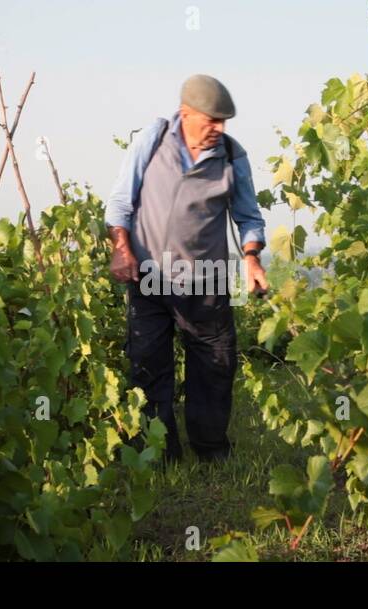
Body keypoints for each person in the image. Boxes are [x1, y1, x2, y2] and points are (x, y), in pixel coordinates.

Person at [104, 74, 268, 463]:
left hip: (207, 278)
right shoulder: (154, 138)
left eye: (224, 122)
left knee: (215, 366)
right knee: (148, 365)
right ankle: (157, 453)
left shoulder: (231, 156)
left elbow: (248, 215)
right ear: (186, 114)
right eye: (211, 120)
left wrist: (252, 257)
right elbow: (120, 202)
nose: (218, 129)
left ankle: (211, 450)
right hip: (148, 275)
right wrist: (121, 249)